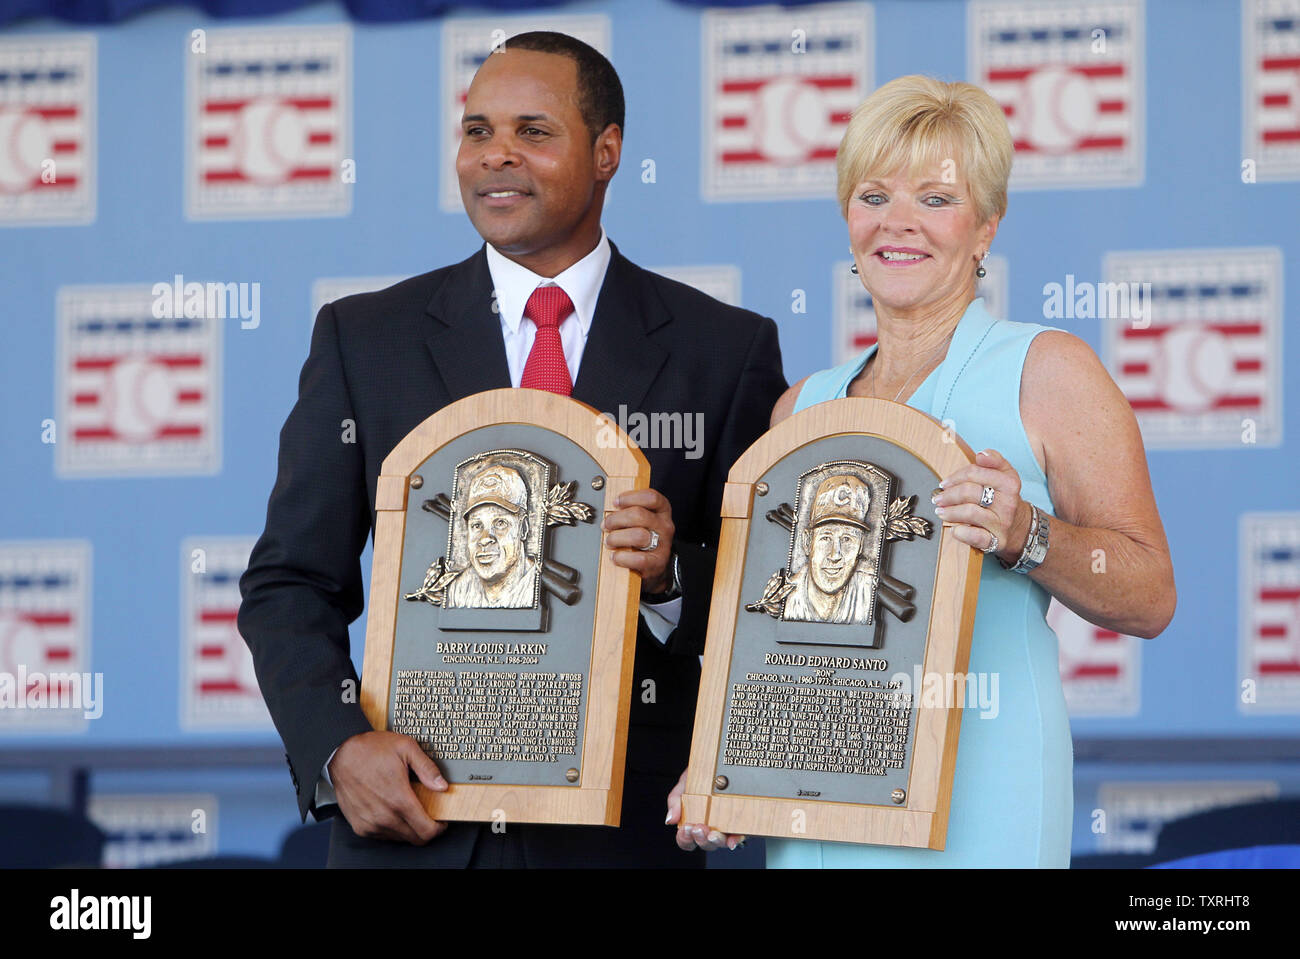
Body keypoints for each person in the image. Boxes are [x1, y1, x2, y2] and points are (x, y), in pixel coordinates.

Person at [238, 32, 786, 868]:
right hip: (414, 829)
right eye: (476, 131)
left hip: (622, 840)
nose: (496, 157)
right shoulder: (364, 339)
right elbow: (289, 582)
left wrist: (673, 575)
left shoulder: (726, 348)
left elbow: (766, 605)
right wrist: (338, 745)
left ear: (607, 153)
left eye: (534, 131)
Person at [671, 74, 1176, 866]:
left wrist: (1025, 533)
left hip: (986, 789)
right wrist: (720, 764)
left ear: (986, 228)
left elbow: (1149, 595)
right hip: (816, 800)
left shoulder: (1049, 371)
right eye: (874, 195)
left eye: (936, 200)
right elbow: (765, 634)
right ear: (847, 218)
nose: (898, 223)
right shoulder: (800, 407)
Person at [782, 474, 878, 625]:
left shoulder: (868, 592)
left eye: (847, 539)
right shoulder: (786, 596)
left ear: (860, 545)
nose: (835, 555)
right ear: (807, 542)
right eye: (826, 538)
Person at [444, 465, 539, 610]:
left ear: (523, 528)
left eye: (500, 523)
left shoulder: (536, 585)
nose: (484, 539)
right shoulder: (458, 590)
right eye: (476, 525)